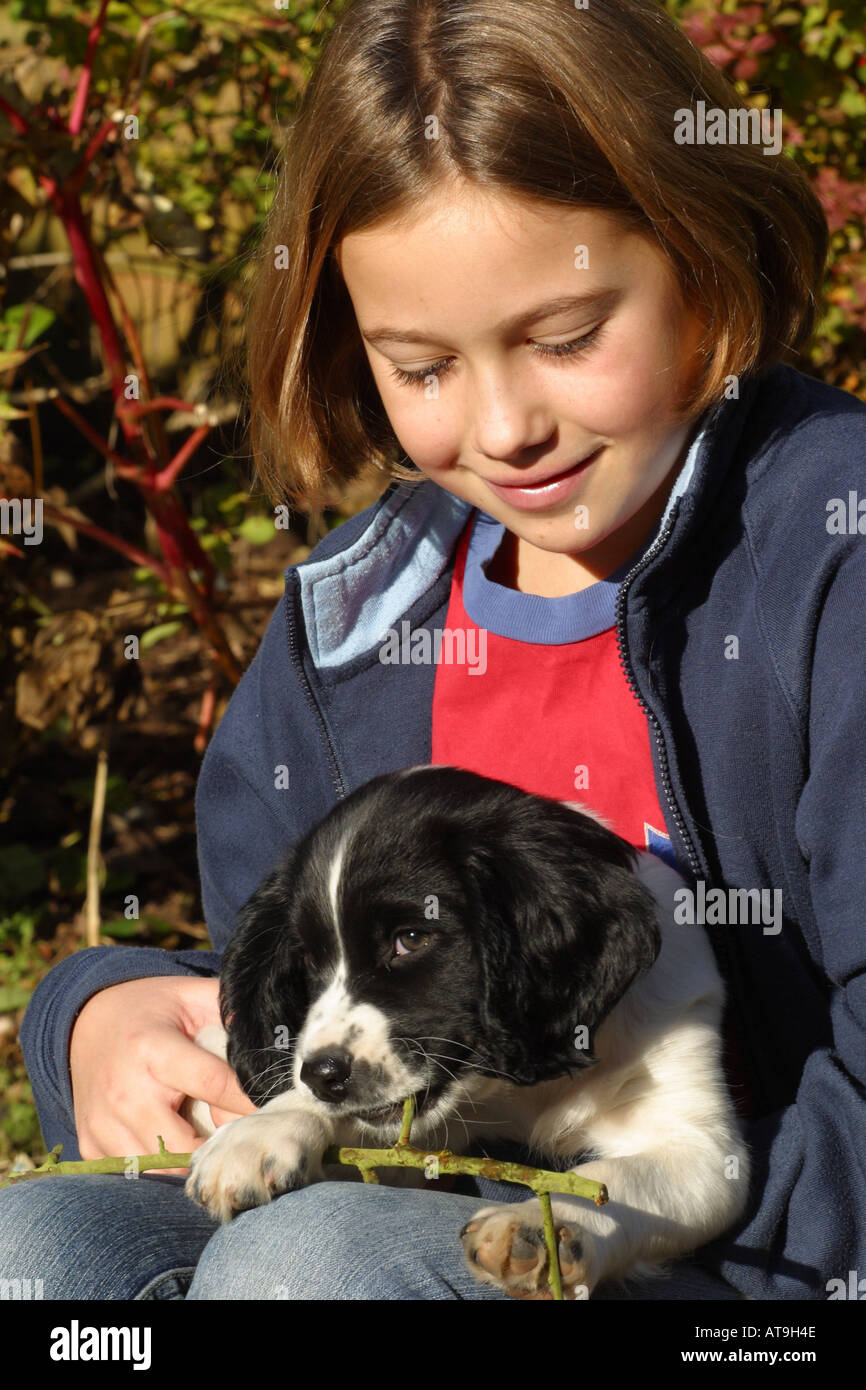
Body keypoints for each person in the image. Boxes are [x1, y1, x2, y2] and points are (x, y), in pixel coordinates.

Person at [2, 0, 863, 1301]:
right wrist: (99, 1009)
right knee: (38, 1250)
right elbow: (311, 971)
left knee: (313, 1262)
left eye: (565, 338)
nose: (505, 423)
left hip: (750, 1264)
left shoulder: (827, 560)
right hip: (413, 1204)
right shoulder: (357, 620)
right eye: (421, 366)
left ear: (701, 250)